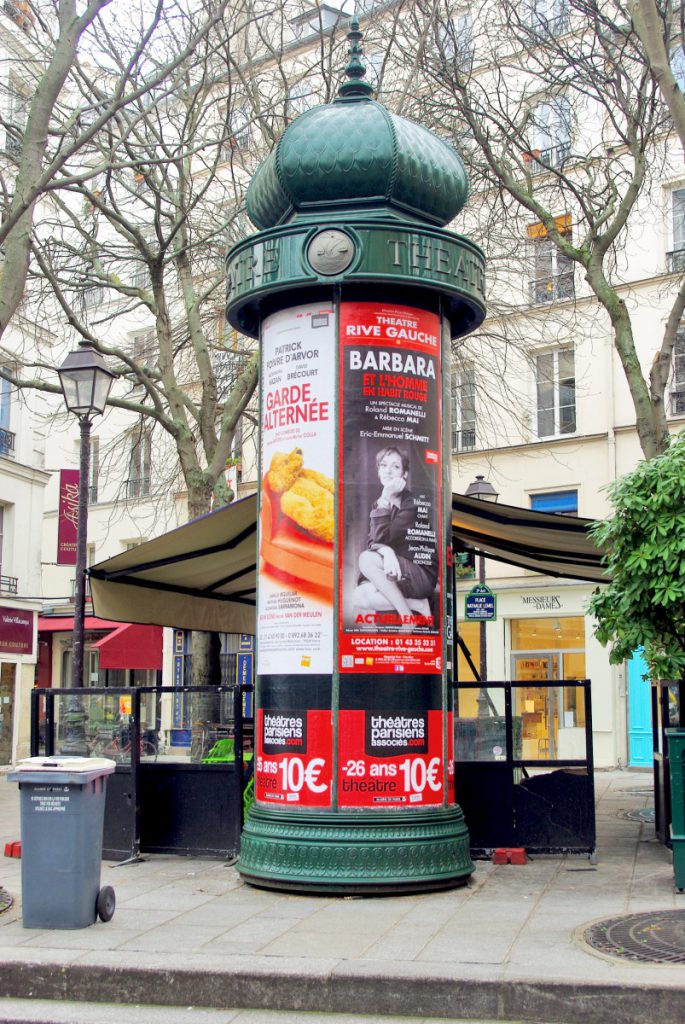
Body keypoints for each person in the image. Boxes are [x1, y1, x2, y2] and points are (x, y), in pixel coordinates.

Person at [352, 446, 438, 630]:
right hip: (394, 569)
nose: (388, 470)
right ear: (378, 470)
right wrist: (387, 551)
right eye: (384, 465)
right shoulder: (379, 503)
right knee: (357, 597)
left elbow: (387, 537)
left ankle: (407, 618)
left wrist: (385, 547)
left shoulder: (413, 502)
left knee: (366, 558)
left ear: (404, 474)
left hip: (419, 574)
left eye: (395, 466)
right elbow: (373, 541)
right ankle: (417, 605)